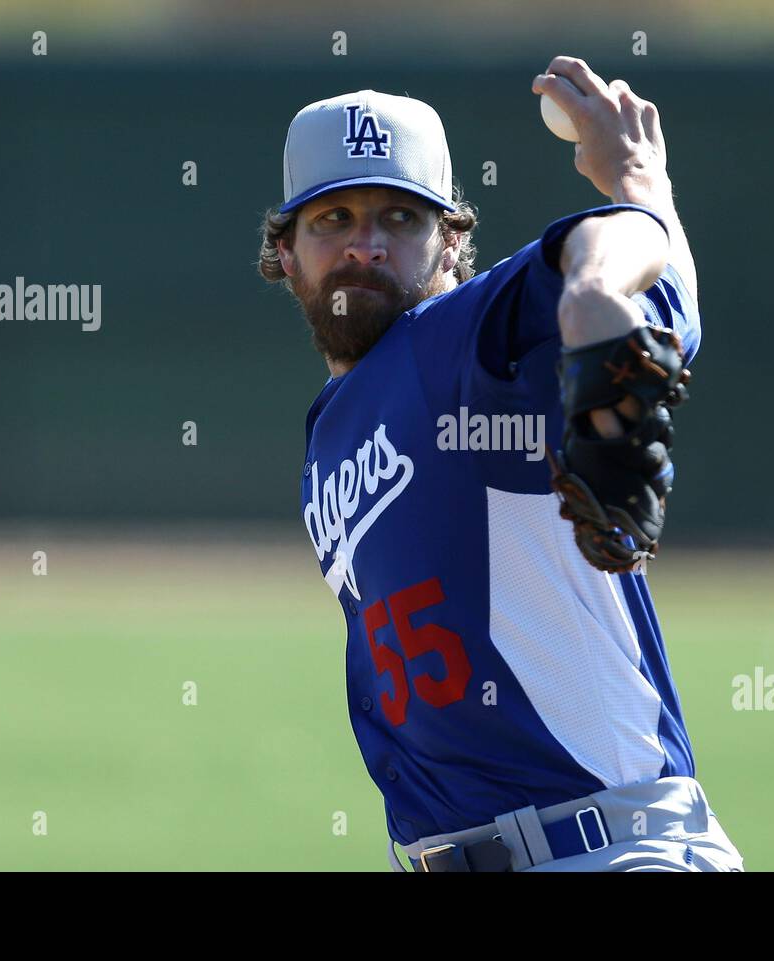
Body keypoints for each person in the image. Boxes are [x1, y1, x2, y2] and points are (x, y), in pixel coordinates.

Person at [258, 55, 744, 872]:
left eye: (401, 219)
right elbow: (675, 302)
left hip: (605, 850)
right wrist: (637, 189)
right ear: (286, 253)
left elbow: (615, 242)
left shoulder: (464, 340)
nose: (366, 246)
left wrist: (614, 234)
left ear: (452, 244)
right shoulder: (326, 434)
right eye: (334, 218)